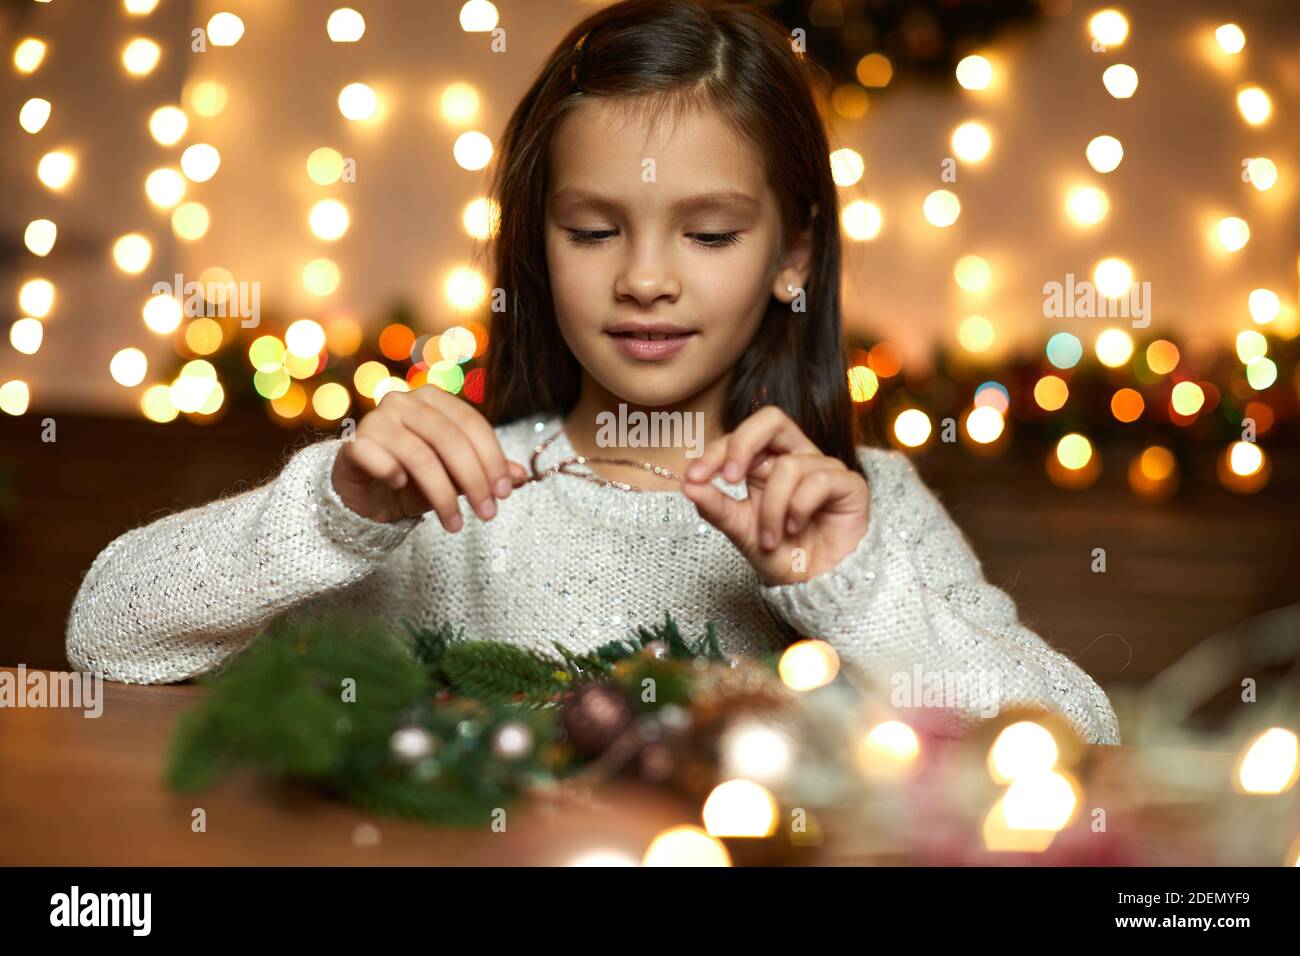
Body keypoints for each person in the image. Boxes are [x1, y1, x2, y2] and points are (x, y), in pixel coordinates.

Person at [66, 0, 1120, 745]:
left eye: (707, 233)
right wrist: (333, 512)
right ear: (537, 245)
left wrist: (852, 589)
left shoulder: (864, 509)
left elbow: (1080, 738)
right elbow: (106, 635)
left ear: (793, 255)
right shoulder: (446, 500)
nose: (646, 279)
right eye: (592, 229)